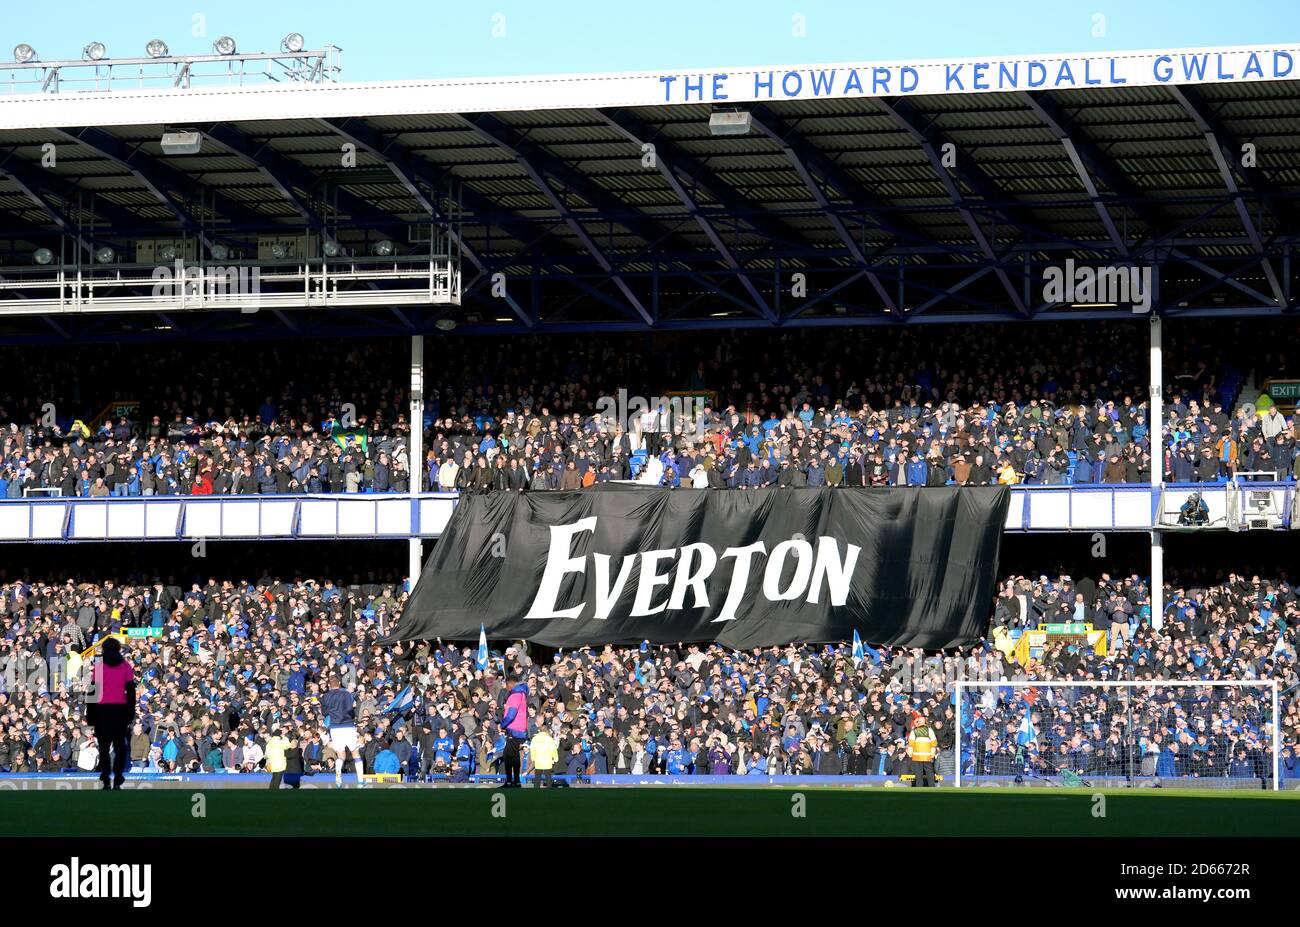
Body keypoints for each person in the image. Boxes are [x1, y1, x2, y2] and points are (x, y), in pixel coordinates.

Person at [85, 636, 135, 790]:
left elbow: (93, 693)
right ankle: (118, 775)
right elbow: (131, 693)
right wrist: (130, 712)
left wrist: (90, 716)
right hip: (119, 709)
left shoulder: (99, 667)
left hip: (102, 710)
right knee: (120, 747)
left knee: (104, 747)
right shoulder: (125, 666)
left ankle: (106, 778)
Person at [321, 674, 365, 788]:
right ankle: (360, 781)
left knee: (341, 755)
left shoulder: (325, 696)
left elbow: (324, 713)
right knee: (355, 753)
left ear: (329, 686)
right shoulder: (346, 694)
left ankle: (338, 777)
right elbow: (350, 709)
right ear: (339, 684)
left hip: (335, 728)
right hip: (347, 725)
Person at [500, 673, 529, 787]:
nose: (506, 688)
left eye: (506, 685)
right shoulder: (521, 694)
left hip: (514, 729)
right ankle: (516, 781)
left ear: (510, 684)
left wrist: (503, 724)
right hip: (520, 729)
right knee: (514, 755)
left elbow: (511, 715)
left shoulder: (515, 695)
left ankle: (509, 781)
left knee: (507, 755)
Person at [906, 712, 937, 788]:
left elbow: (911, 744)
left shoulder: (914, 731)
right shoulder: (930, 730)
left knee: (918, 773)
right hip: (927, 756)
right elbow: (934, 742)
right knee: (929, 772)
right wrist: (932, 753)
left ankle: (919, 788)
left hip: (917, 756)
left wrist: (910, 754)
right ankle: (932, 787)